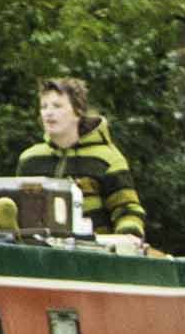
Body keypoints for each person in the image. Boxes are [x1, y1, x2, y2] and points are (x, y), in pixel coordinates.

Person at [17, 77, 145, 240]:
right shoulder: (29, 159)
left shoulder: (107, 158)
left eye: (57, 106)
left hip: (93, 255)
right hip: (40, 254)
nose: (48, 112)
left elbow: (127, 210)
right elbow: (21, 211)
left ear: (77, 112)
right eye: (44, 107)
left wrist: (127, 238)